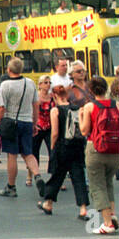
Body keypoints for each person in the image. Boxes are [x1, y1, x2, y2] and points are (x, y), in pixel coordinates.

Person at [37, 84, 90, 219]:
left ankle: (48, 203)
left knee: (57, 175)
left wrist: (53, 147)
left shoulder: (55, 110)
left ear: (54, 96)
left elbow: (54, 133)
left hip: (62, 146)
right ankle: (83, 208)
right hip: (77, 146)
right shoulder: (77, 109)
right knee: (78, 177)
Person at [80, 76, 119, 235]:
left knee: (97, 186)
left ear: (91, 90)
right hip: (115, 149)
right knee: (108, 182)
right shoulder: (117, 105)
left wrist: (82, 115)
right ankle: (112, 214)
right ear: (106, 88)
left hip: (96, 148)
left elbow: (84, 130)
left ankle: (107, 223)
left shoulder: (90, 107)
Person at [0, 57, 40, 195]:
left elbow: (2, 108)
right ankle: (37, 176)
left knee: (12, 155)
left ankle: (11, 186)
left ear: (8, 70)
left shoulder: (6, 85)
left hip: (11, 123)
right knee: (28, 153)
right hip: (27, 121)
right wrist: (35, 122)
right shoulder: (30, 83)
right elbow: (35, 104)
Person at [33, 75, 54, 169]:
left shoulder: (53, 97)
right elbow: (31, 111)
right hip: (37, 127)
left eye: (50, 82)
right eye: (46, 82)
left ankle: (53, 176)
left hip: (50, 128)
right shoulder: (35, 96)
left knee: (53, 151)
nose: (48, 85)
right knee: (34, 152)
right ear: (40, 85)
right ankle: (32, 175)